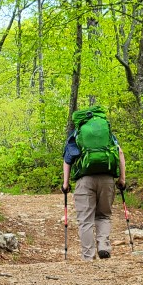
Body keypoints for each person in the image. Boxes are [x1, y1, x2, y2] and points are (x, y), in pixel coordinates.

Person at [61, 106, 126, 261]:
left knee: (85, 220)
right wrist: (122, 179)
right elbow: (120, 153)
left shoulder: (76, 134)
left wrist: (65, 183)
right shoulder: (107, 134)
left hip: (85, 180)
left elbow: (68, 159)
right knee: (103, 215)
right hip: (107, 179)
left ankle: (88, 256)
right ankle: (103, 245)